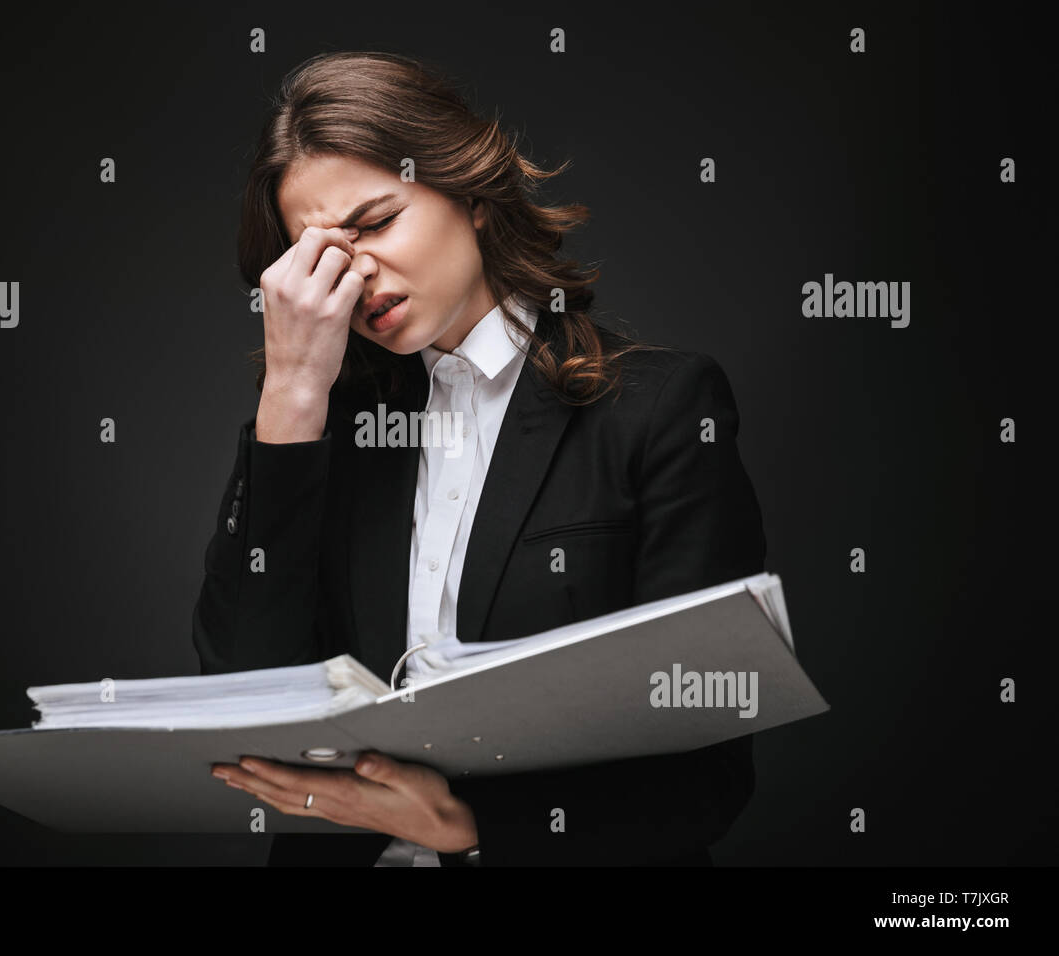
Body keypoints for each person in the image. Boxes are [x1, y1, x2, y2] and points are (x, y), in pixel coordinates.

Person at [194, 51, 766, 866]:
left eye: (375, 222)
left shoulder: (659, 410)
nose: (354, 272)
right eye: (318, 254)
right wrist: (289, 390)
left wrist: (467, 828)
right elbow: (239, 698)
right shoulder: (320, 428)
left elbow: (706, 770)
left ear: (473, 196)